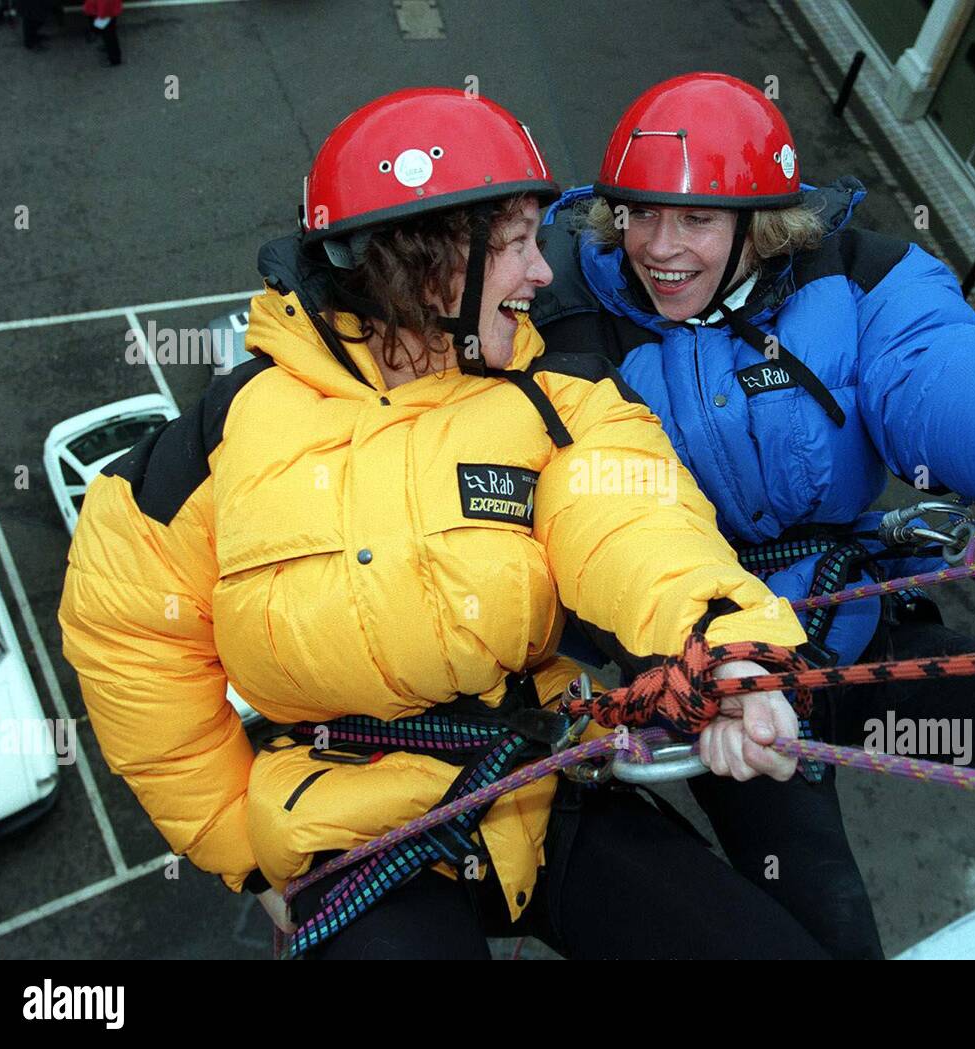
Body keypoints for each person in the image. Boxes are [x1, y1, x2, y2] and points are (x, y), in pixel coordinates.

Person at [58, 87, 836, 960]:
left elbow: (632, 522)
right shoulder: (220, 439)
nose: (542, 274)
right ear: (421, 262)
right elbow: (127, 632)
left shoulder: (561, 399)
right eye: (510, 245)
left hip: (541, 783)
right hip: (348, 827)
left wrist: (723, 643)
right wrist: (237, 846)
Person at [531, 72, 975, 960]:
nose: (660, 247)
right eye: (640, 215)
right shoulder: (567, 325)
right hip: (724, 669)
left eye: (695, 219)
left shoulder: (846, 277)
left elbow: (932, 365)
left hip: (853, 614)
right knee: (831, 934)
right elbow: (595, 495)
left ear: (757, 223)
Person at [82, 0, 121, 66]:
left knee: (108, 33)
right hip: (105, 6)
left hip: (105, 7)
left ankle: (114, 59)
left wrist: (103, 14)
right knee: (108, 30)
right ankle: (110, 49)